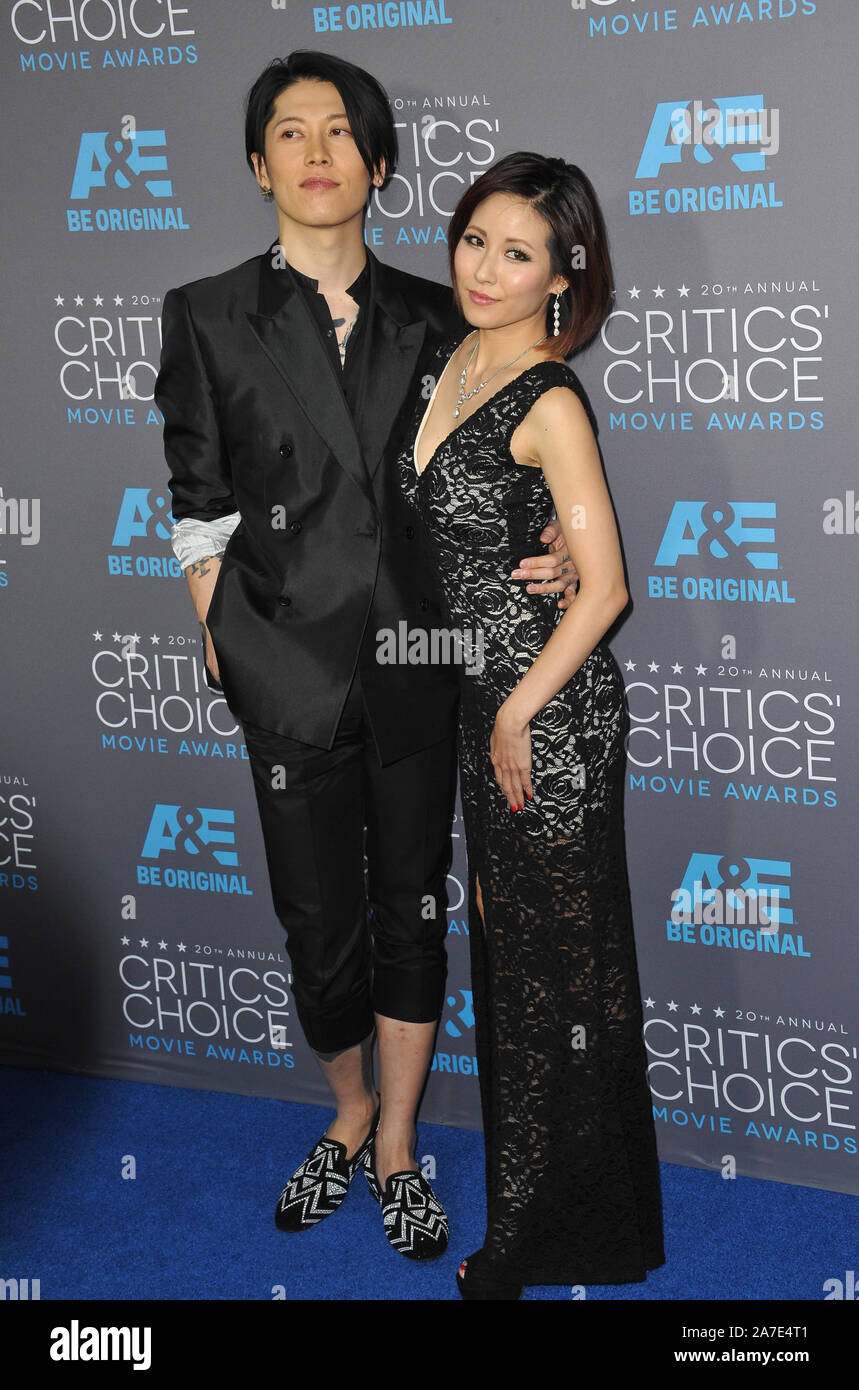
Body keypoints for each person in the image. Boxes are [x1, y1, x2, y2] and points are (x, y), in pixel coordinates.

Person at [155, 54, 574, 1265]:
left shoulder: (446, 315)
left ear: (378, 165)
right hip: (280, 659)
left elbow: (505, 468)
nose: (316, 149)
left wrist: (545, 544)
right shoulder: (205, 311)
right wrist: (223, 636)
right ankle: (343, 1105)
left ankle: (392, 1143)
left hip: (419, 651)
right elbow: (197, 499)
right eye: (289, 132)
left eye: (341, 131)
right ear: (258, 166)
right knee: (315, 924)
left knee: (409, 904)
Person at [398, 152, 666, 1298]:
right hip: (478, 706)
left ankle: (536, 1238)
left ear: (565, 273)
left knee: (560, 980)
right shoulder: (447, 354)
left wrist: (514, 710)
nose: (486, 269)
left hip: (544, 722)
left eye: (518, 253)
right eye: (473, 240)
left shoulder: (550, 397)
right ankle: (577, 1219)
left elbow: (603, 587)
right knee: (518, 974)